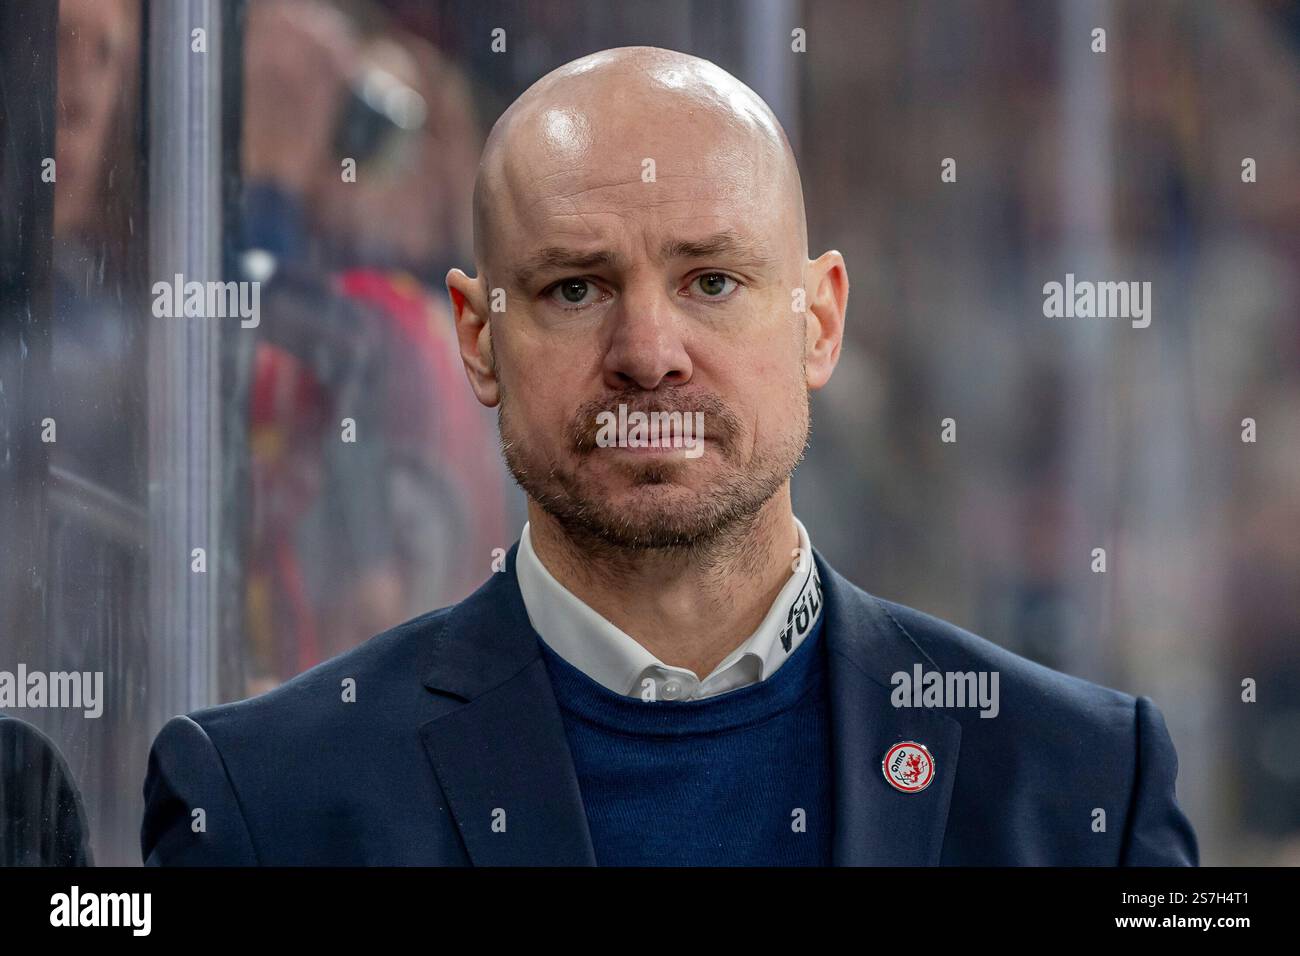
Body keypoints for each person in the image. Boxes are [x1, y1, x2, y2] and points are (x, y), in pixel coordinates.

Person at [141, 46, 1198, 866]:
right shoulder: (264, 799)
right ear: (478, 335)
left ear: (819, 320)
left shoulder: (1081, 784)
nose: (647, 356)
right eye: (574, 288)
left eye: (711, 281)